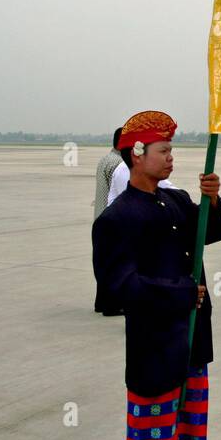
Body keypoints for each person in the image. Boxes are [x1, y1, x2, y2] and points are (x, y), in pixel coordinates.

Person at [92, 110, 221, 440]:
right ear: (137, 155)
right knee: (152, 424)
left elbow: (217, 231)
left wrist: (212, 198)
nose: (171, 158)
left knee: (188, 422)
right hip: (155, 340)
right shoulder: (117, 219)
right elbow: (118, 286)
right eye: (164, 150)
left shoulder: (175, 201)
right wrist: (178, 295)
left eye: (172, 150)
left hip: (192, 336)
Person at [93, 127, 125, 316]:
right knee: (115, 264)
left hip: (99, 219)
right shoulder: (119, 164)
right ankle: (112, 305)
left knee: (103, 263)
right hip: (112, 221)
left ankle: (101, 302)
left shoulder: (105, 159)